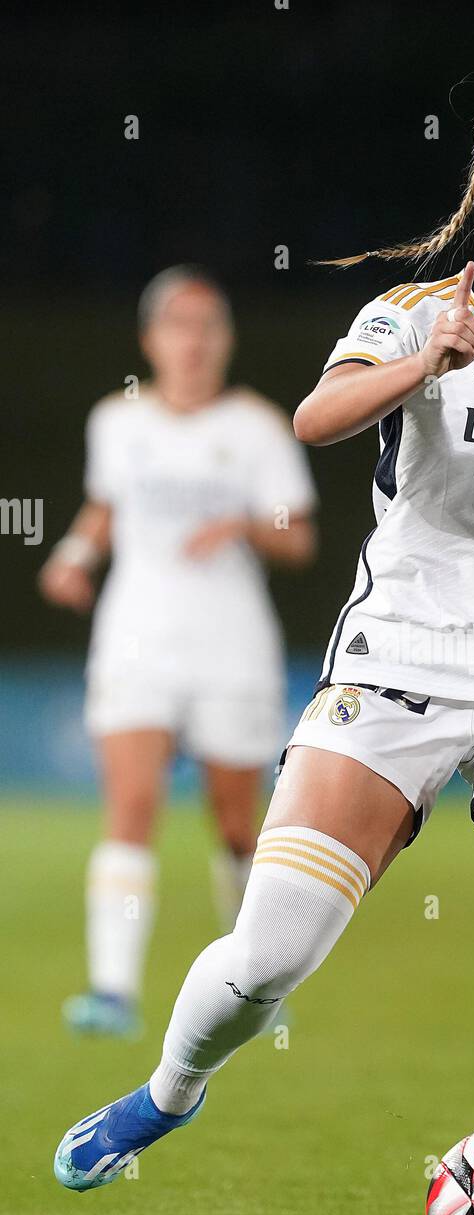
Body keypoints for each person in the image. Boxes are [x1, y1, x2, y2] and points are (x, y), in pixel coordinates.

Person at [53, 65, 474, 1215]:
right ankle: (167, 1090)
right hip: (395, 668)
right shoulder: (416, 313)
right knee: (265, 956)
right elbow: (314, 417)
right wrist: (427, 364)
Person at [38, 266, 318, 1037]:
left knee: (235, 824)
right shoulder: (117, 422)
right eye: (178, 326)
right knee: (130, 808)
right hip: (137, 639)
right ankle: (112, 992)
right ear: (150, 339)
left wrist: (246, 525)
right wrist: (70, 554)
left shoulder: (258, 427)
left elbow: (300, 537)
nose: (193, 342)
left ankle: (254, 986)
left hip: (231, 647)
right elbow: (104, 508)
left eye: (208, 326)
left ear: (225, 339)